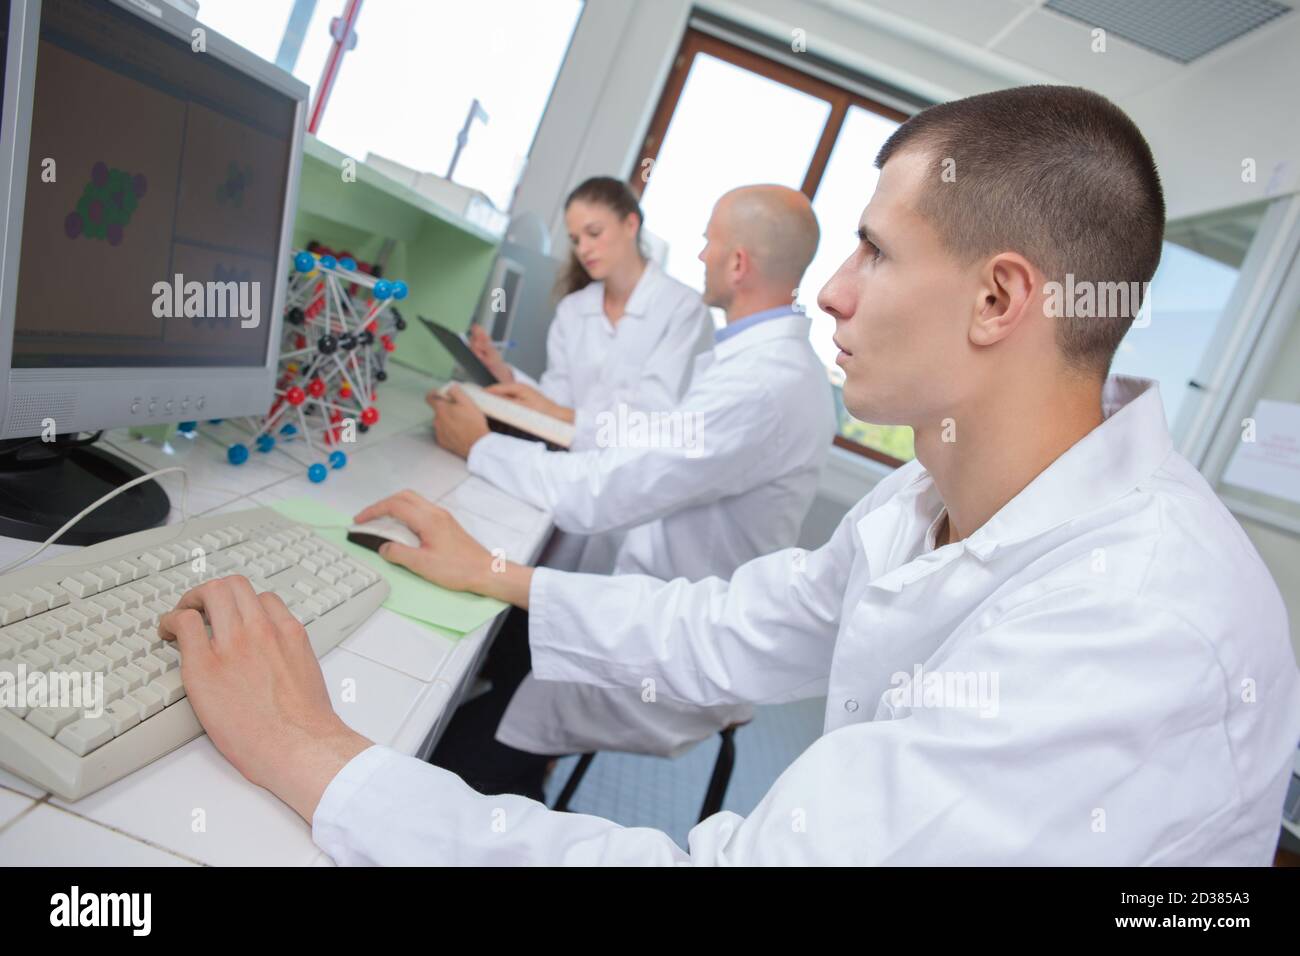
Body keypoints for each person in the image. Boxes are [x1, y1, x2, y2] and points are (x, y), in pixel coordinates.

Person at [161, 85, 1300, 865]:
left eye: (876, 250)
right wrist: (507, 576)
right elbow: (739, 623)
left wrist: (318, 753)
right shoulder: (931, 500)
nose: (834, 293)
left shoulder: (1138, 622)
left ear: (999, 299)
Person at [425, 185, 834, 798]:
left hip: (667, 646)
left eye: (709, 242)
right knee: (504, 658)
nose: (699, 254)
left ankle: (506, 794)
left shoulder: (762, 385)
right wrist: (531, 406)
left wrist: (480, 447)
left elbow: (606, 489)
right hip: (645, 604)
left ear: (738, 264)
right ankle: (519, 784)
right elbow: (642, 446)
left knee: (448, 756)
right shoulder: (756, 367)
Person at [468, 175, 713, 452]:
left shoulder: (684, 308)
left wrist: (562, 415)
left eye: (594, 233)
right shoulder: (573, 310)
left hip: (630, 470)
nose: (583, 249)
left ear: (631, 224)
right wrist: (505, 375)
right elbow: (555, 399)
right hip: (567, 461)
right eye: (575, 240)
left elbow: (656, 421)